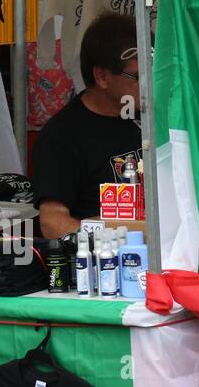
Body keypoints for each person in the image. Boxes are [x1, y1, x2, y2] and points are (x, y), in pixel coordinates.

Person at [32, 12, 143, 238]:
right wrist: (126, 232)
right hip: (106, 262)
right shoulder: (61, 137)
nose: (148, 84)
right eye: (137, 76)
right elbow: (53, 224)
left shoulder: (148, 117)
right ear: (101, 76)